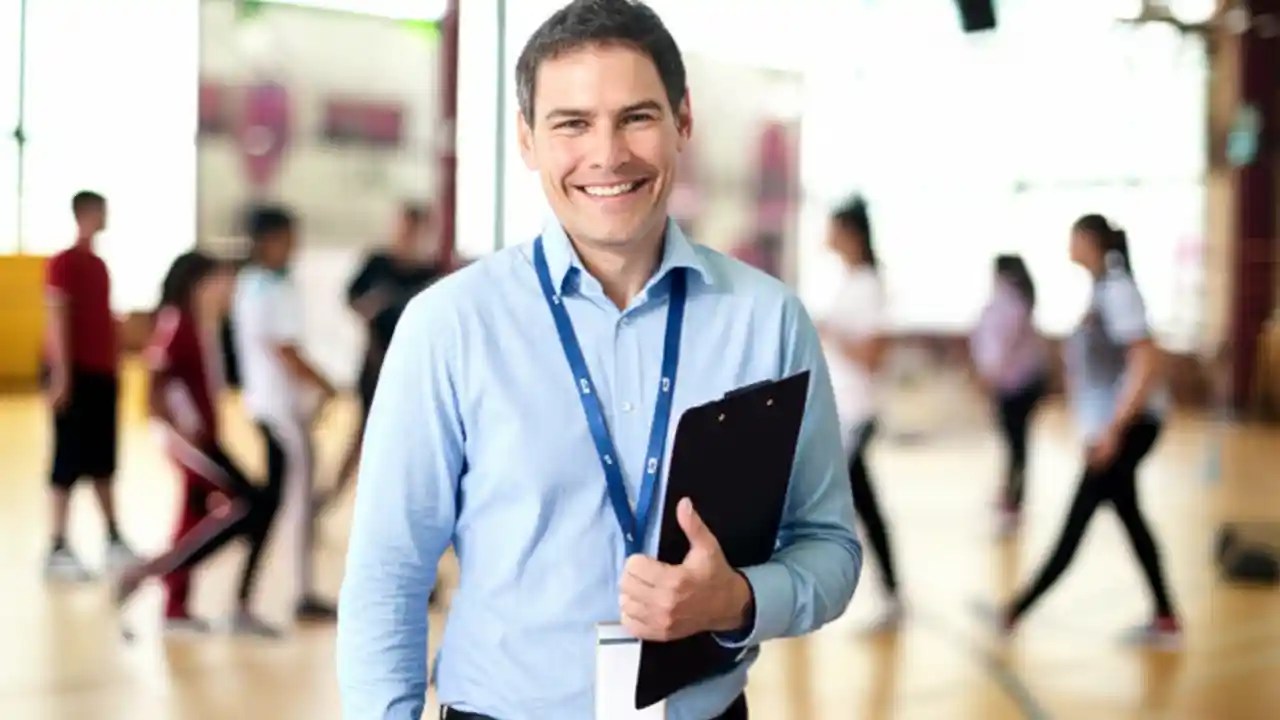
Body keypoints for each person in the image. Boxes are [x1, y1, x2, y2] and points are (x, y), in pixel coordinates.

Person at [336, 2, 862, 718]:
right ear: (527, 139)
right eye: (572, 123)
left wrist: (737, 600)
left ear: (683, 122)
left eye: (637, 117)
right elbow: (388, 575)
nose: (607, 154)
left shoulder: (767, 322)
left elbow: (829, 546)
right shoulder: (449, 327)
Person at [990, 214, 1181, 646]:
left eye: (1074, 237)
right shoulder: (1101, 291)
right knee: (1130, 519)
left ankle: (1015, 610)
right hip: (1115, 428)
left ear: (1090, 242)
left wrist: (1113, 430)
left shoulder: (1117, 291)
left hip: (1127, 428)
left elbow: (1146, 360)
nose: (1068, 244)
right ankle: (1166, 617)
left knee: (1075, 524)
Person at [115, 251, 279, 637]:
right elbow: (156, 381)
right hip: (189, 442)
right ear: (201, 284)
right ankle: (150, 572)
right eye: (222, 281)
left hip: (205, 436)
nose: (229, 289)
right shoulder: (177, 323)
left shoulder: (206, 325)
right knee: (248, 503)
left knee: (194, 517)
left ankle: (175, 609)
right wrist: (181, 426)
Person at [231, 206, 338, 622]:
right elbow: (285, 350)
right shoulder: (262, 288)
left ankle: (298, 588)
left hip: (282, 407)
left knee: (289, 501)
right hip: (279, 411)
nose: (294, 246)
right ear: (268, 240)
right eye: (288, 237)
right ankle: (298, 591)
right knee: (291, 505)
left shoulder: (265, 284)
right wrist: (326, 384)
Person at [814, 196, 902, 631]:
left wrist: (832, 332)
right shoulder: (849, 281)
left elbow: (872, 354)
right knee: (864, 504)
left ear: (847, 230)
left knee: (831, 503)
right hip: (839, 411)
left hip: (856, 413)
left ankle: (880, 593)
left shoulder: (868, 284)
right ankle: (891, 593)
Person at [324, 203, 445, 511]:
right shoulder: (378, 264)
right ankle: (329, 500)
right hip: (377, 365)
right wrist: (372, 306)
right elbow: (353, 301)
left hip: (414, 369)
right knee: (363, 436)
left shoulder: (430, 273)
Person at [43, 190, 136, 581]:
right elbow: (57, 318)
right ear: (84, 213)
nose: (105, 216)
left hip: (102, 374)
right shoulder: (63, 263)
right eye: (100, 211)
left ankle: (113, 537)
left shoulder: (98, 265)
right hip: (76, 374)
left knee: (102, 460)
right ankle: (57, 545)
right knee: (67, 460)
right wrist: (61, 374)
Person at [970, 254, 1048, 538]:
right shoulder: (1009, 303)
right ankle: (1009, 496)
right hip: (1011, 385)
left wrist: (987, 376)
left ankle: (1012, 504)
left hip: (1018, 386)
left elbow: (999, 348)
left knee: (1016, 447)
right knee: (1013, 446)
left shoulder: (1012, 304)